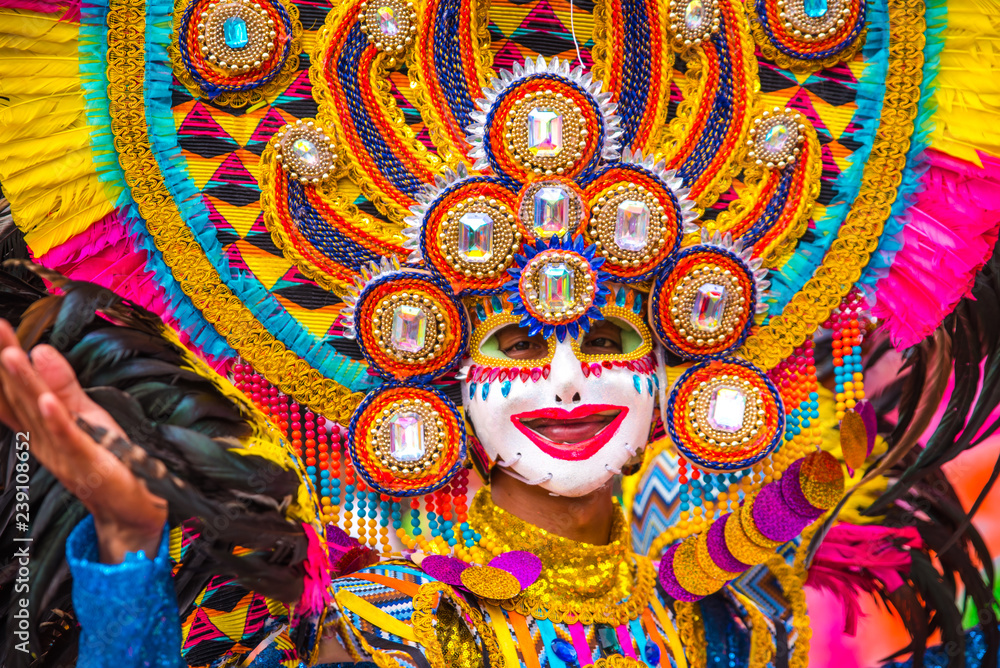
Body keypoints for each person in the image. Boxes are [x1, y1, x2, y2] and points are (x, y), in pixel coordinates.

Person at [2, 0, 1000, 666]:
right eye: (519, 349)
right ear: (438, 385)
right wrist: (130, 541)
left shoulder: (737, 608)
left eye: (603, 335)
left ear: (673, 372)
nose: (568, 382)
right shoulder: (388, 617)